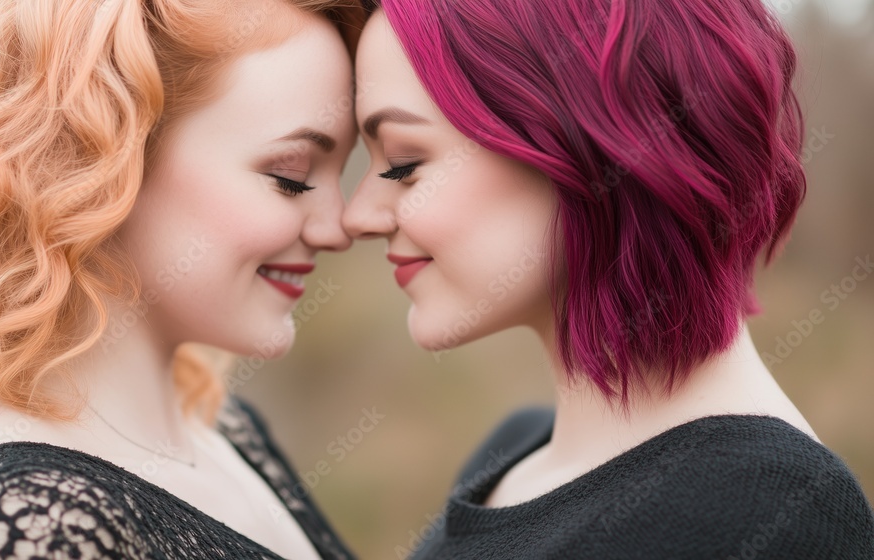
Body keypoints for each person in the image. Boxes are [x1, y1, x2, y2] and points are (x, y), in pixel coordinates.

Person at [344, 1, 874, 558]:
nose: (357, 216)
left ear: (596, 144)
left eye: (403, 164)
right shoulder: (509, 456)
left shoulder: (770, 513)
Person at [0, 0, 367, 558]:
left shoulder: (228, 431)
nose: (339, 228)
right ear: (98, 161)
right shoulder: (28, 522)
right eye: (291, 176)